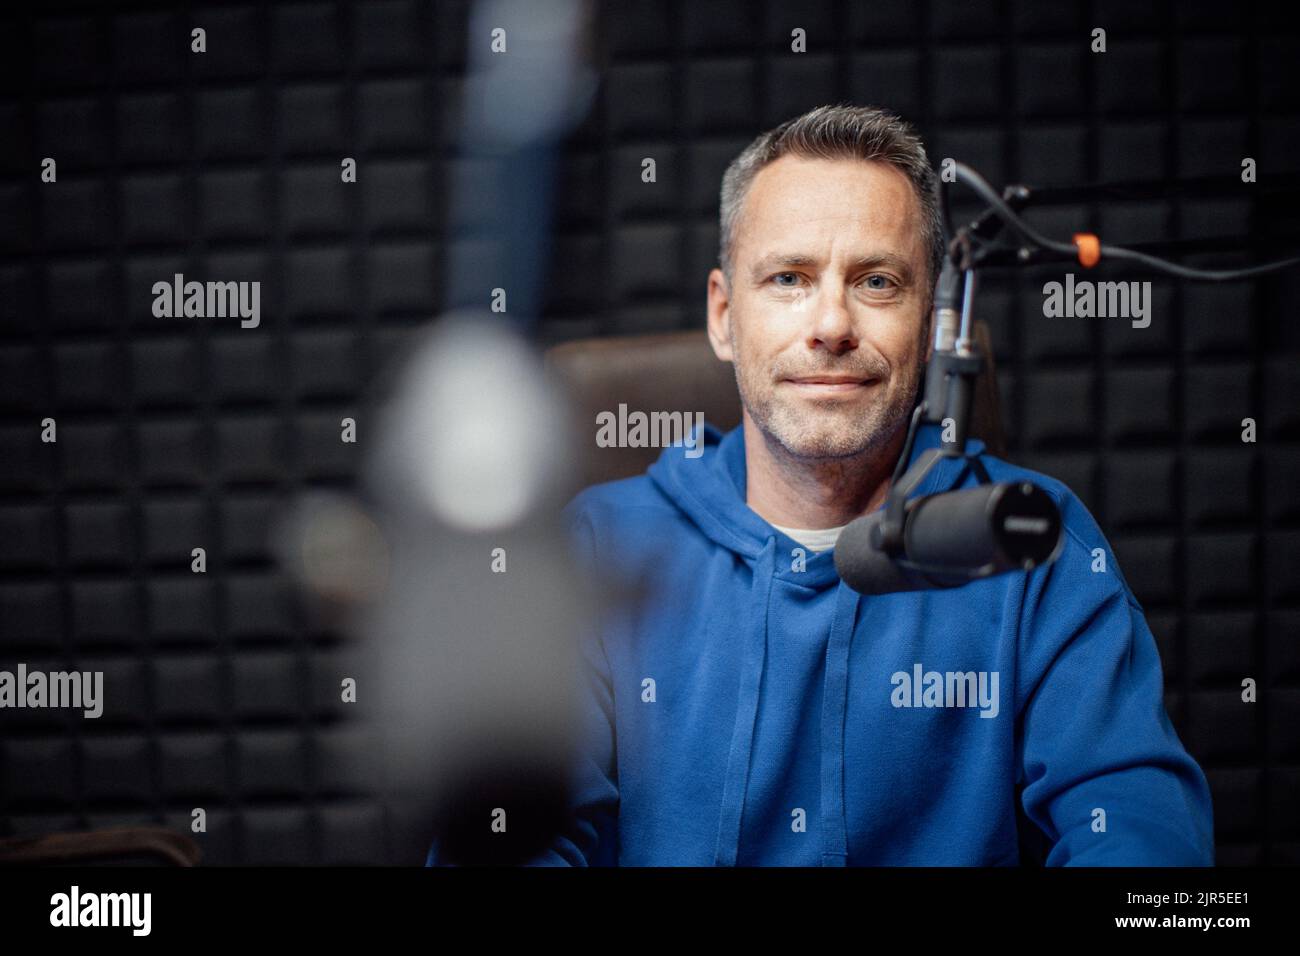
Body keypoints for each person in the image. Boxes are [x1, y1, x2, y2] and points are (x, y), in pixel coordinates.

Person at [428, 103, 1215, 866]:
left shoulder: (1031, 545)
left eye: (876, 281)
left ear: (933, 323)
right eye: (789, 278)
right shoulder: (594, 553)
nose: (832, 325)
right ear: (724, 316)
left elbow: (1142, 837)